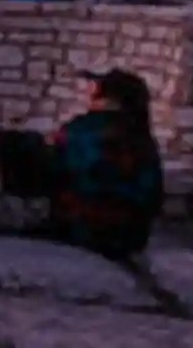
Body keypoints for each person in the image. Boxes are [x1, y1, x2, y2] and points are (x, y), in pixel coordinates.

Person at [50, 69, 163, 260]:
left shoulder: (78, 130)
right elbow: (152, 194)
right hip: (130, 233)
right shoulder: (139, 137)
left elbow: (57, 173)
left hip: (79, 226)